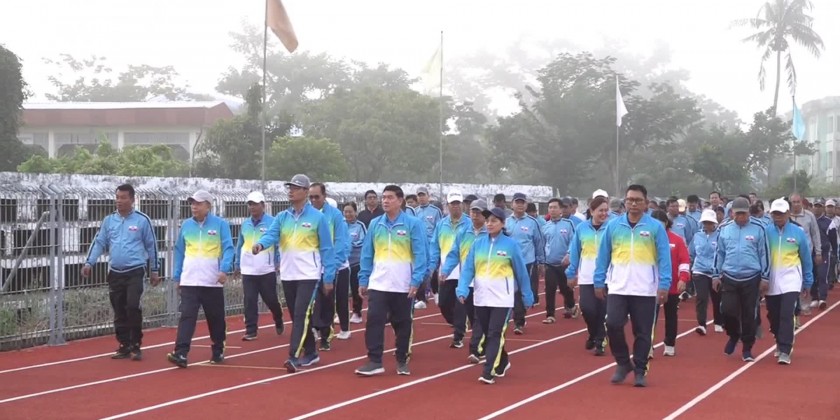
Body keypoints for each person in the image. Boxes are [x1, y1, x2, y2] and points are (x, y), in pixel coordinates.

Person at [252, 174, 336, 373]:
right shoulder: (283, 217)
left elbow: (327, 248)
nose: (290, 191)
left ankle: (293, 356)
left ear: (305, 192)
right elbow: (272, 234)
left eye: (295, 188)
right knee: (297, 315)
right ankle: (311, 353)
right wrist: (261, 244)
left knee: (301, 314)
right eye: (289, 187)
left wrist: (329, 277)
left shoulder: (318, 218)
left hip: (309, 275)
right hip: (289, 274)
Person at [594, 184, 671, 387]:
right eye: (630, 200)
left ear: (645, 203)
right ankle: (622, 362)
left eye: (638, 200)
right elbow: (603, 256)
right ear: (625, 202)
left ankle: (639, 370)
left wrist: (664, 284)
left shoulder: (655, 227)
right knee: (612, 324)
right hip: (618, 287)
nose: (633, 203)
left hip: (645, 289)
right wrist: (598, 280)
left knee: (643, 332)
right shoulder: (613, 226)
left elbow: (664, 258)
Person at [355, 185, 427, 376]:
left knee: (402, 323)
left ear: (400, 200)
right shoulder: (375, 224)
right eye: (383, 197)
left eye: (390, 198)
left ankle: (402, 358)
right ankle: (375, 360)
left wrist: (416, 280)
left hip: (403, 284)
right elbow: (367, 254)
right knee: (374, 320)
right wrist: (363, 278)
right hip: (379, 283)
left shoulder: (413, 224)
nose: (385, 201)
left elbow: (421, 255)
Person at [457, 207, 534, 384]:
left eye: (494, 220)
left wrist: (527, 295)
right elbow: (469, 268)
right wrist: (462, 288)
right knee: (487, 332)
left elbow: (521, 272)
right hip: (481, 297)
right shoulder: (478, 243)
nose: (489, 224)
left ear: (502, 223)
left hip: (502, 299)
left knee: (494, 333)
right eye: (488, 221)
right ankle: (503, 361)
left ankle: (488, 371)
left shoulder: (511, 245)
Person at [83, 184, 160, 361]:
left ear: (132, 200)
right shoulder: (109, 221)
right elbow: (99, 242)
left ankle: (135, 344)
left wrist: (154, 270)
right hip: (115, 272)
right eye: (117, 197)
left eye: (123, 197)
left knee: (132, 306)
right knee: (119, 309)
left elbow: (152, 246)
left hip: (135, 272)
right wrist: (89, 263)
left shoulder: (142, 220)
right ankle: (124, 344)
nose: (119, 201)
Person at [167, 190, 234, 368]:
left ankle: (218, 349)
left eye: (198, 203)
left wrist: (224, 269)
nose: (194, 206)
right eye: (192, 203)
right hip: (190, 280)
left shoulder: (220, 225)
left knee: (216, 318)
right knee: (187, 317)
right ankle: (180, 352)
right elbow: (179, 250)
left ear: (208, 205)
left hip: (212, 281)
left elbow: (228, 248)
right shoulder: (186, 226)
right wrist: (178, 276)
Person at [713, 197, 769, 362]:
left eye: (744, 214)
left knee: (749, 314)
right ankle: (733, 334)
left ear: (749, 213)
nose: (741, 217)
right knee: (727, 310)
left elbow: (764, 253)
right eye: (737, 214)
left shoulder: (759, 228)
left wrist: (765, 277)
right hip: (729, 276)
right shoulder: (724, 228)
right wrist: (716, 275)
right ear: (732, 213)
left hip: (751, 277)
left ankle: (747, 347)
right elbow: (719, 253)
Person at [765, 198, 814, 365]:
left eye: (780, 213)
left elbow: (806, 257)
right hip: (771, 280)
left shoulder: (797, 232)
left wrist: (808, 281)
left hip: (791, 280)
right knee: (773, 316)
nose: (777, 216)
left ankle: (785, 349)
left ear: (787, 213)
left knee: (787, 314)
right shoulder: (766, 232)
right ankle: (779, 340)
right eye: (774, 213)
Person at [234, 191, 284, 341]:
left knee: (270, 298)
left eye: (255, 204)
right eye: (250, 204)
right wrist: (237, 263)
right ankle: (251, 330)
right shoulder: (245, 224)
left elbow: (278, 244)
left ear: (263, 205)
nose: (252, 207)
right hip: (248, 268)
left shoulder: (272, 222)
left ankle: (278, 316)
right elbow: (239, 244)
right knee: (249, 299)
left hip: (266, 268)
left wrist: (278, 261)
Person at [442, 199, 488, 355]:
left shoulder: (490, 232)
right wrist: (446, 270)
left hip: (485, 282)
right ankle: (482, 341)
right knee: (471, 315)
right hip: (467, 282)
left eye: (479, 212)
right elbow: (454, 253)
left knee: (479, 316)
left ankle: (476, 349)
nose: (475, 215)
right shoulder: (463, 232)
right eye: (473, 212)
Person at [566, 196, 610, 356]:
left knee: (602, 311)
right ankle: (593, 333)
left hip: (607, 277)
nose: (604, 213)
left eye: (606, 210)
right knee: (588, 309)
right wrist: (571, 273)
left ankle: (599, 341)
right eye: (600, 211)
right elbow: (575, 252)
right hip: (586, 277)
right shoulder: (582, 229)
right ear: (592, 211)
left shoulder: (611, 228)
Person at [308, 183, 351, 348]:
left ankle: (326, 335)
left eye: (316, 197)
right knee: (310, 302)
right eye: (310, 197)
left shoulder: (335, 216)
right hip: (309, 266)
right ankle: (311, 330)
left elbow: (341, 243)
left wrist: (332, 265)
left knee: (327, 301)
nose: (313, 200)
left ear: (324, 196)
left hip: (330, 266)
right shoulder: (306, 214)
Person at [428, 190, 471, 341]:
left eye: (458, 203)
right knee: (443, 304)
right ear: (447, 206)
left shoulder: (470, 224)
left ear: (463, 205)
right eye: (452, 204)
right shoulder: (441, 225)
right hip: (446, 272)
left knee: (461, 304)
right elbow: (434, 247)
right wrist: (432, 266)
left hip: (465, 272)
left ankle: (458, 335)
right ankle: (458, 323)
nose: (455, 207)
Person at [649, 210, 690, 357]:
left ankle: (670, 343)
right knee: (649, 317)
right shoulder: (646, 239)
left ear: (666, 223)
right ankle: (648, 346)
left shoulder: (676, 240)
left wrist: (683, 278)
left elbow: (684, 261)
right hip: (651, 285)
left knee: (671, 315)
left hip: (671, 285)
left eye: (660, 224)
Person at [505, 192, 545, 334]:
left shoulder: (532, 222)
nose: (520, 205)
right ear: (512, 204)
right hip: (507, 261)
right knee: (511, 290)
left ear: (526, 205)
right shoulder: (506, 222)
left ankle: (519, 322)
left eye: (522, 202)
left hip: (526, 262)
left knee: (521, 290)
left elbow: (539, 242)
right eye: (517, 202)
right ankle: (514, 316)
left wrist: (541, 262)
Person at [542, 197, 578, 322]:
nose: (552, 210)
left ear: (561, 209)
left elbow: (573, 242)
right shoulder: (545, 226)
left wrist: (569, 254)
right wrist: (541, 261)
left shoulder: (568, 224)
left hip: (564, 264)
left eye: (555, 207)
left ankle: (571, 306)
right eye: (550, 207)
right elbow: (542, 244)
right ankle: (550, 315)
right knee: (550, 289)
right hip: (550, 263)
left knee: (565, 289)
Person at [690, 209, 724, 334]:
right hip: (699, 271)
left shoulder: (721, 235)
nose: (707, 225)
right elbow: (692, 252)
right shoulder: (697, 235)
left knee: (717, 298)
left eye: (710, 222)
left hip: (715, 272)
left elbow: (722, 253)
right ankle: (702, 324)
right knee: (701, 297)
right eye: (705, 222)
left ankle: (718, 321)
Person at [414, 186, 443, 308]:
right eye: (419, 195)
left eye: (423, 195)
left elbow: (440, 227)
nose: (421, 198)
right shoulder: (415, 211)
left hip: (432, 245)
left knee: (432, 270)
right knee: (421, 270)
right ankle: (421, 298)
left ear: (428, 196)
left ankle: (436, 292)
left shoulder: (435, 211)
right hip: (420, 245)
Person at [344, 202, 367, 324]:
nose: (348, 214)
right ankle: (342, 312)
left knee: (355, 288)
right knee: (341, 290)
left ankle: (357, 313)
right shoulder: (341, 225)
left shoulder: (360, 226)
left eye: (350, 211)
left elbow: (364, 240)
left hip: (356, 262)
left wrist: (351, 244)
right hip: (342, 263)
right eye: (346, 212)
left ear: (355, 212)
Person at [811, 200, 831, 309]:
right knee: (813, 275)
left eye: (819, 206)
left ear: (823, 208)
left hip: (824, 252)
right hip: (811, 251)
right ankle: (814, 297)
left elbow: (833, 238)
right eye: (816, 206)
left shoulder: (828, 222)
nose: (817, 208)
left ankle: (822, 298)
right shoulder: (810, 220)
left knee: (822, 275)